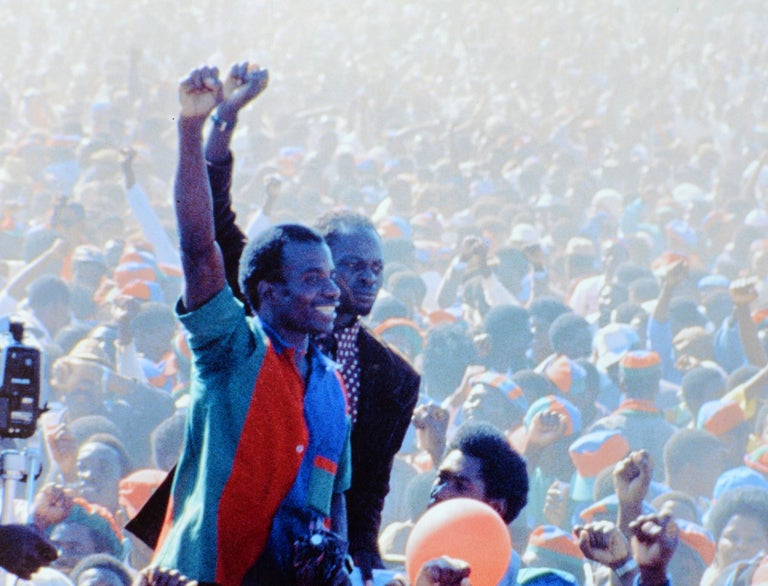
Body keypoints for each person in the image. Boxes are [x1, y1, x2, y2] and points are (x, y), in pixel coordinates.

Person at [201, 61, 421, 584]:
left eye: (376, 269)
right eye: (351, 266)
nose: (366, 280)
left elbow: (367, 489)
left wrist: (358, 562)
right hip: (224, 539)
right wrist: (222, 120)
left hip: (312, 560)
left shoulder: (394, 378)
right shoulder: (266, 307)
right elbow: (214, 221)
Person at [146, 65, 351, 585]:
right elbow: (198, 247)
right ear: (269, 293)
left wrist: (334, 562)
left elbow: (330, 499)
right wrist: (191, 129)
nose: (331, 290)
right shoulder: (231, 349)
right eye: (312, 278)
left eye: (330, 276)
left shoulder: (331, 388)